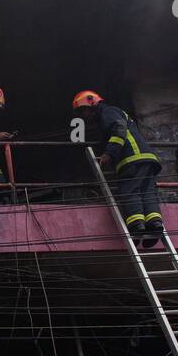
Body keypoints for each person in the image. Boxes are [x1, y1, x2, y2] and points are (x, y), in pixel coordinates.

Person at [72, 90, 163, 247]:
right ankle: (154, 226)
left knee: (130, 190)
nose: (84, 115)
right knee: (147, 192)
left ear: (92, 103)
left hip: (131, 159)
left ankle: (137, 227)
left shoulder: (107, 112)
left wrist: (109, 153)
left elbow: (119, 130)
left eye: (83, 110)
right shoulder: (113, 112)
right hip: (147, 159)